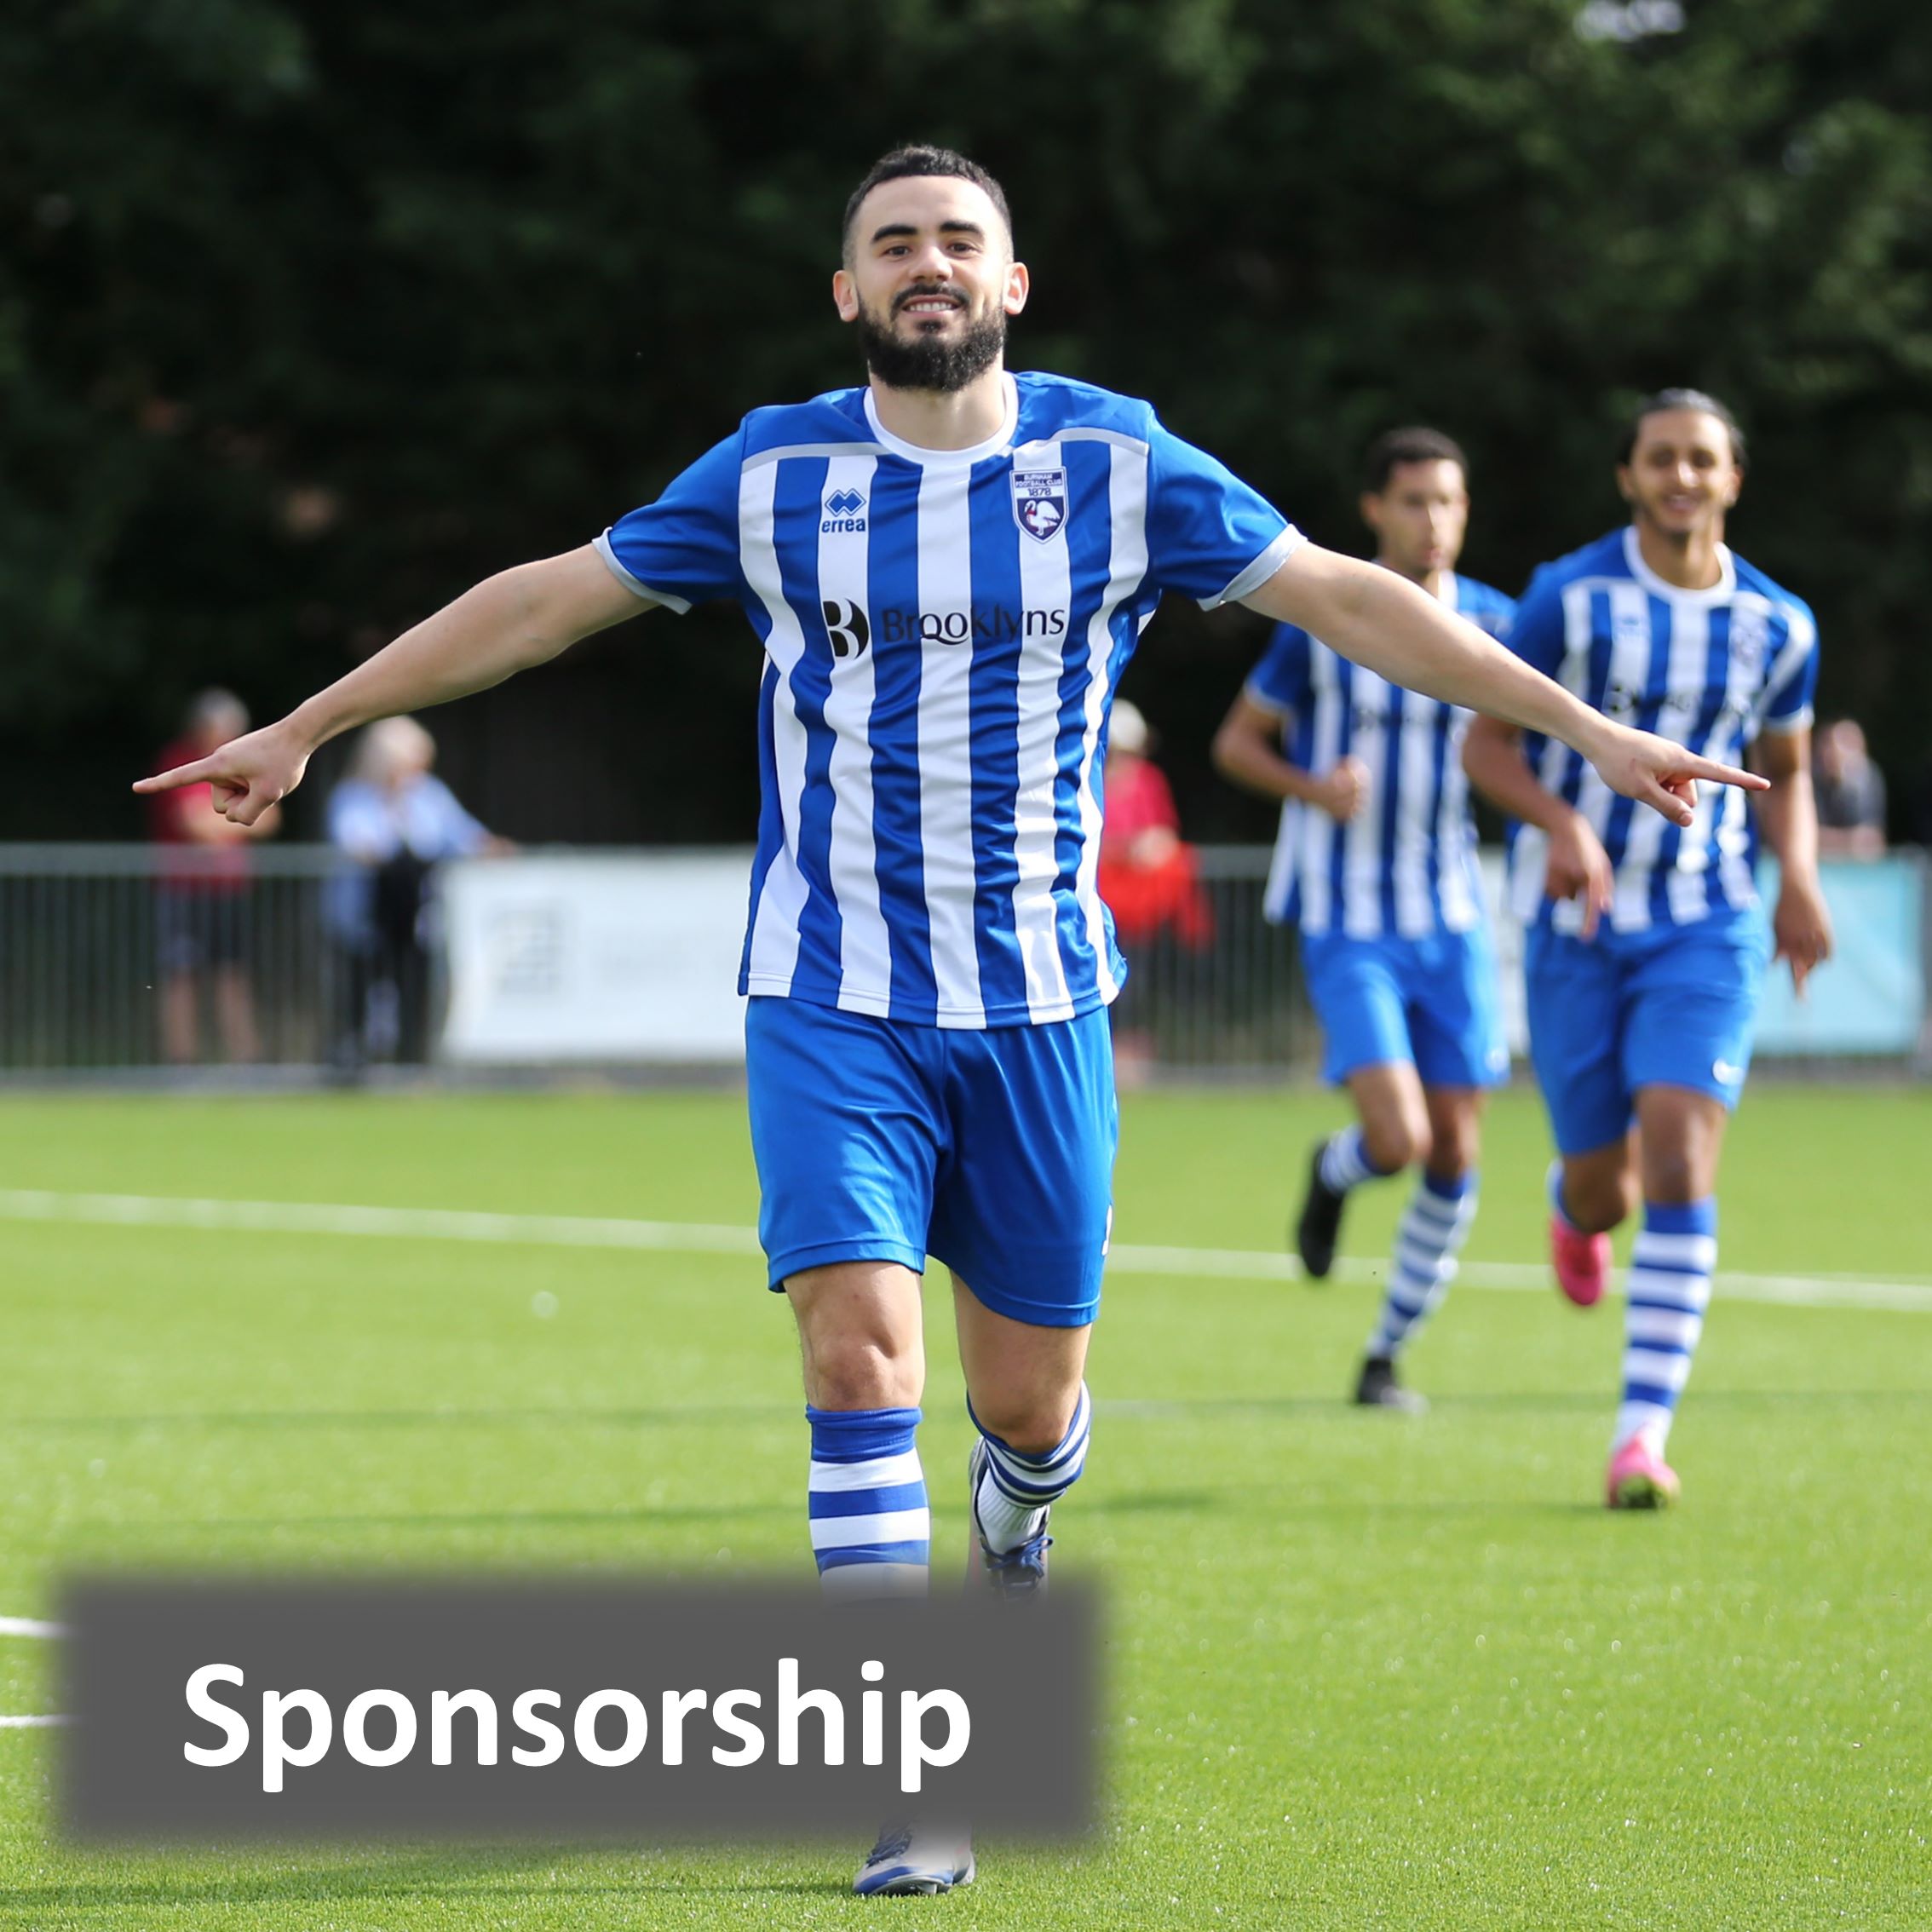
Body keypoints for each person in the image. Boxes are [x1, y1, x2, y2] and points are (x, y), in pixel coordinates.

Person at [136, 152, 1763, 1894]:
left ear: (1014, 281)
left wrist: (1584, 730)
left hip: (1044, 1009)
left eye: (957, 244)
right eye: (892, 245)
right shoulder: (773, 471)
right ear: (848, 293)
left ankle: (1018, 1524)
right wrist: (312, 722)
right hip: (829, 994)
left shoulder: (1117, 460)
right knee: (857, 1354)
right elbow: (544, 598)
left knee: (1032, 1412)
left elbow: (1355, 600)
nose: (928, 266)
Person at [1463, 388, 1831, 1512]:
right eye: (1660, 460)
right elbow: (1487, 747)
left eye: (1702, 460)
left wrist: (1799, 881)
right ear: (1628, 477)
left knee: (1678, 1158)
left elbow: (1792, 769)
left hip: (1707, 924)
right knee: (1608, 1186)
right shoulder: (1568, 601)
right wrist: (1562, 821)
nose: (1682, 477)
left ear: (1733, 477)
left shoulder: (1782, 625)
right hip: (1580, 931)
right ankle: (1574, 1208)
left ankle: (1640, 1438)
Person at [1213, 428, 1513, 1412]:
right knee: (1398, 1136)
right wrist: (1312, 785)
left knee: (1458, 1152)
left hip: (1455, 915)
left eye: (1450, 501)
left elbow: (1534, 743)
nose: (1436, 521)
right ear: (1375, 511)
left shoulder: (1501, 622)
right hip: (1349, 916)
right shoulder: (1324, 621)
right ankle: (1336, 1171)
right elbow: (1236, 745)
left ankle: (1386, 1355)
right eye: (1416, 501)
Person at [325, 716, 508, 1069]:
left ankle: (412, 1067)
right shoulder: (353, 797)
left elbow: (461, 834)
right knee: (355, 999)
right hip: (364, 922)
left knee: (415, 996)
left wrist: (491, 848)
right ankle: (352, 1069)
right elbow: (355, 841)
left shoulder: (429, 795)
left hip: (416, 922)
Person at [146, 688, 281, 1065]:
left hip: (228, 890)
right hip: (183, 890)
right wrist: (238, 820)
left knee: (233, 976)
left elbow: (270, 818)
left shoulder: (244, 764)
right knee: (181, 977)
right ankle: (181, 1063)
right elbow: (193, 826)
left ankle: (243, 1063)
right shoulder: (178, 760)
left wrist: (217, 823)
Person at [1096, 700, 1210, 1079]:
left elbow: (1163, 832)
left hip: (1144, 913)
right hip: (1098, 906)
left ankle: (1129, 1054)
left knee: (1137, 980)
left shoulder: (1148, 780)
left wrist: (1149, 846)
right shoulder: (1088, 776)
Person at [1812, 717, 1886, 858]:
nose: (1832, 752)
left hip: (1857, 870)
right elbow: (1806, 836)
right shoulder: (1810, 779)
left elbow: (1872, 841)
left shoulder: (1868, 778)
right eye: (1828, 744)